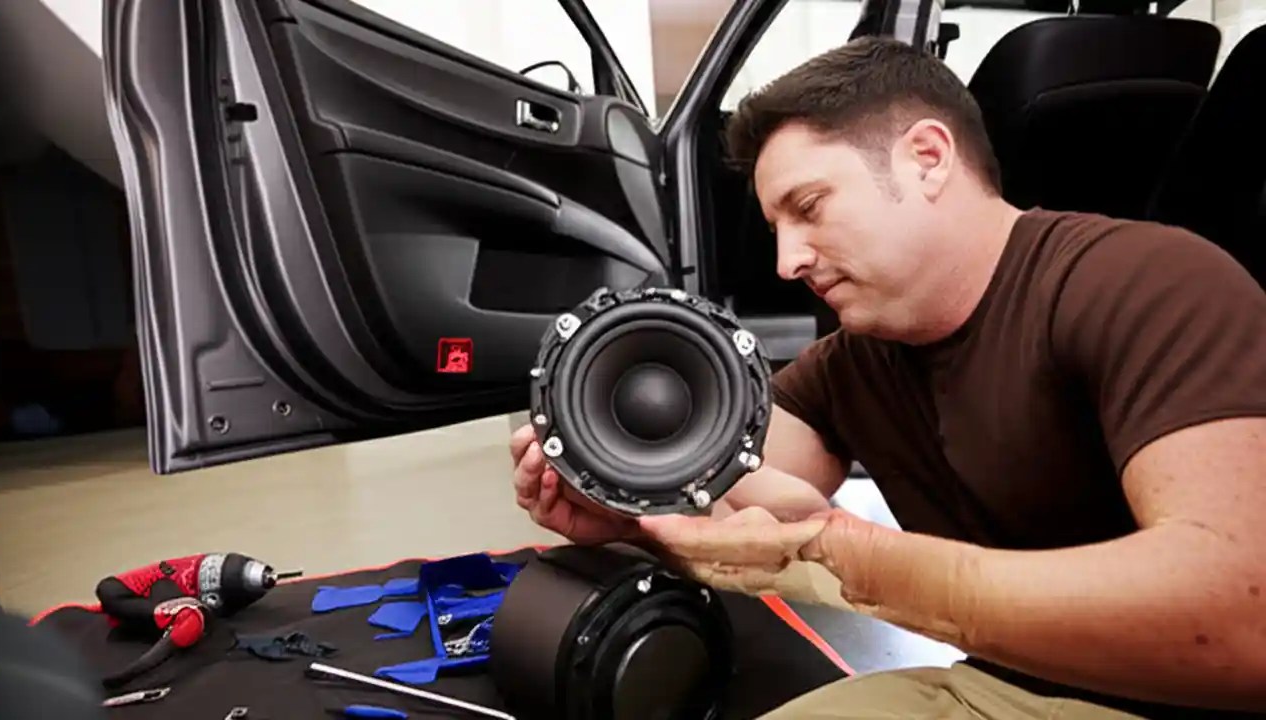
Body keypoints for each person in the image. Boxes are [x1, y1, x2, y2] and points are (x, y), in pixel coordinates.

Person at [511, 37, 1266, 719]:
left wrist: (876, 565)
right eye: (777, 231)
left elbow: (1242, 615)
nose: (788, 261)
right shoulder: (861, 355)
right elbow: (741, 494)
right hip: (1003, 687)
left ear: (927, 158)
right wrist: (619, 502)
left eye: (809, 209)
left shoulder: (1145, 282)